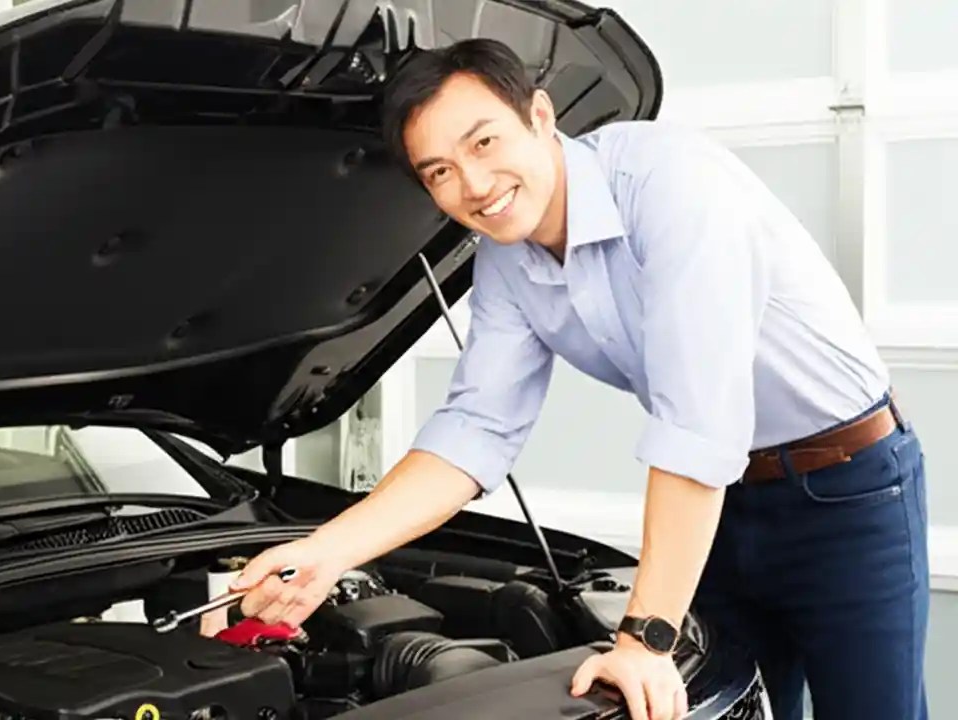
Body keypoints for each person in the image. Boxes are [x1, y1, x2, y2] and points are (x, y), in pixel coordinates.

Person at [230, 38, 929, 720]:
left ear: (539, 116)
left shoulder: (671, 186)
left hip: (847, 488)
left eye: (484, 143)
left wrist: (646, 639)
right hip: (719, 507)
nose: (474, 185)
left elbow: (699, 419)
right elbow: (475, 431)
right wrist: (323, 554)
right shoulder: (506, 260)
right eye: (439, 171)